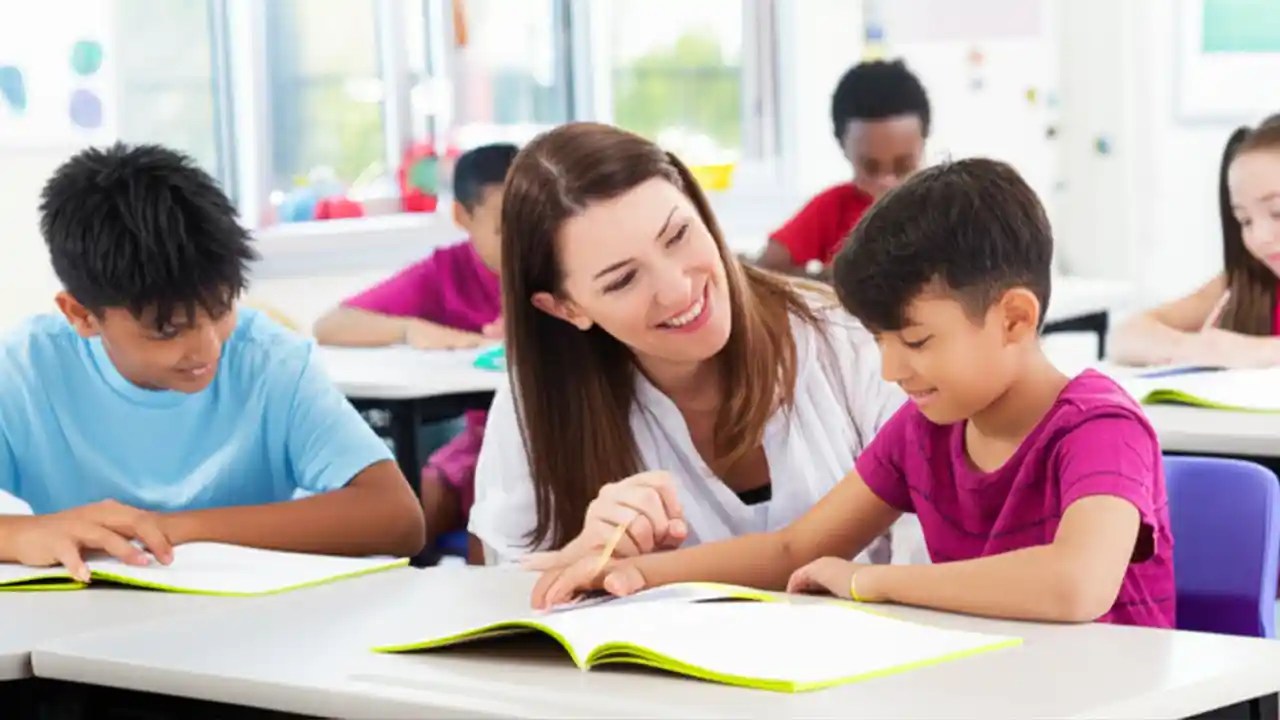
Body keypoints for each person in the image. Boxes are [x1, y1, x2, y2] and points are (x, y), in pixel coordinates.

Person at [531, 158, 1174, 629]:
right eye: (879, 340)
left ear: (1013, 319)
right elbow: (797, 548)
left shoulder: (1099, 429)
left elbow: (1076, 586)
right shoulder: (927, 429)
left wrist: (873, 582)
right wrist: (634, 574)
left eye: (917, 341)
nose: (891, 370)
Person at [467, 122, 918, 568]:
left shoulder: (842, 337)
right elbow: (507, 590)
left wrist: (641, 574)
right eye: (624, 279)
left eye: (678, 235)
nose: (678, 290)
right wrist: (579, 556)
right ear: (565, 308)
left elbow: (940, 530)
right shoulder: (539, 401)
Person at [0, 143, 425, 581]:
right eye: (167, 331)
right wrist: (22, 535)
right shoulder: (24, 372)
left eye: (221, 310)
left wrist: (173, 531)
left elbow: (397, 517)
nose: (207, 349)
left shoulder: (270, 362)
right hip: (77, 628)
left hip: (251, 630)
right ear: (82, 315)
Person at [314, 143, 517, 547]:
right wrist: (410, 329)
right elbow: (330, 325)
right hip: (477, 446)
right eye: (503, 228)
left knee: (501, 514)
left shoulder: (569, 262)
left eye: (535, 222)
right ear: (462, 217)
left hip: (553, 444)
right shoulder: (446, 272)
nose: (523, 241)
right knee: (410, 512)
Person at [1113, 115, 1280, 367]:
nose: (1259, 237)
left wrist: (1259, 351)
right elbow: (1126, 336)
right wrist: (1199, 348)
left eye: (1277, 213)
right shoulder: (1245, 283)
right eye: (1245, 221)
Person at [756, 59, 930, 278]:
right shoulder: (832, 209)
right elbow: (764, 269)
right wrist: (827, 280)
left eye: (903, 167)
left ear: (923, 143)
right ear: (843, 147)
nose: (887, 183)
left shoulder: (943, 209)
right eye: (870, 168)